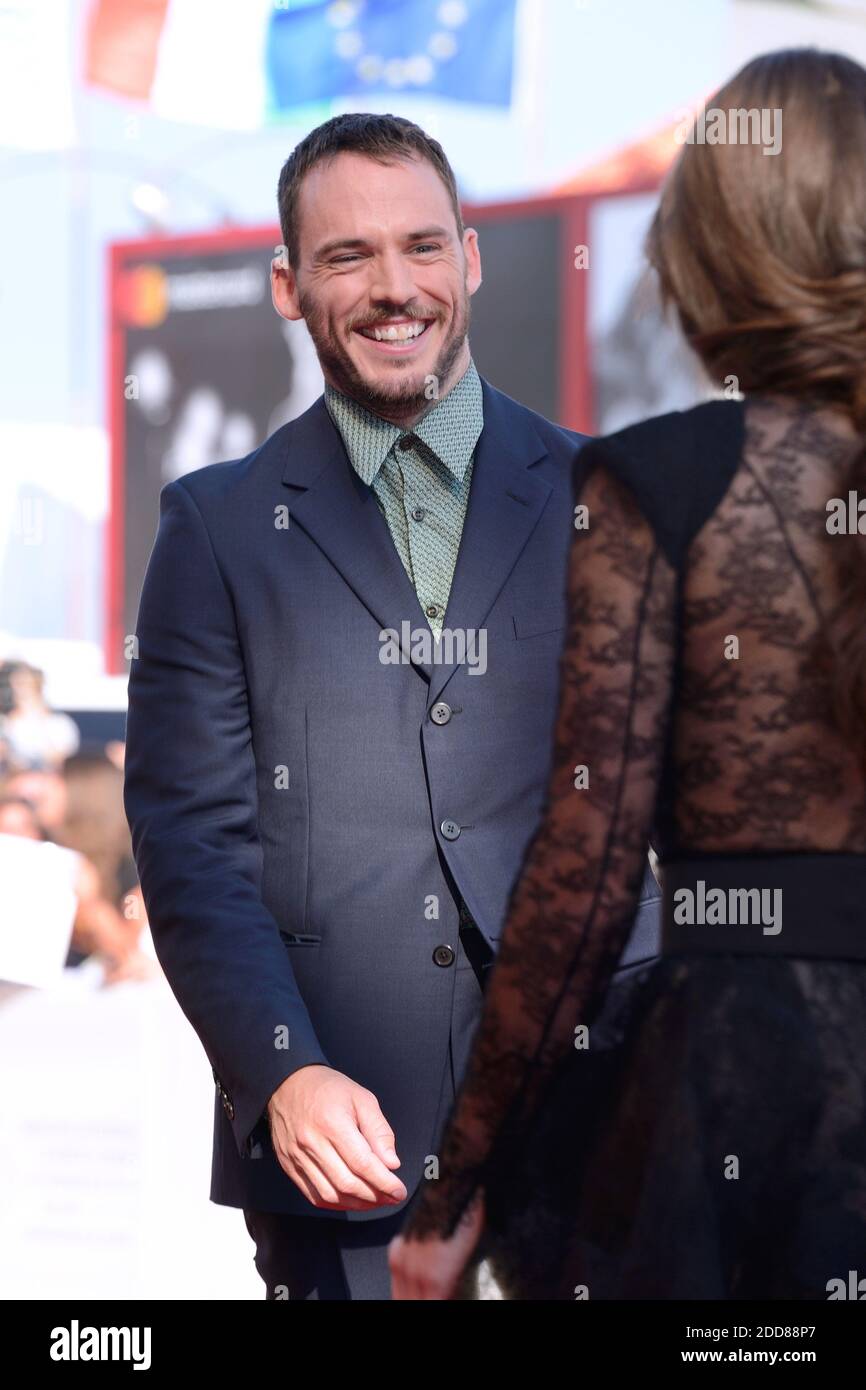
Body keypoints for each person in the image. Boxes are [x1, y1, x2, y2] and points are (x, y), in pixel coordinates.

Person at [123, 112, 661, 1301]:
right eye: (347, 256)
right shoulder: (214, 531)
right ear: (286, 284)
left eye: (421, 246)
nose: (392, 287)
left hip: (601, 1132)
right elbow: (192, 848)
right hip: (347, 1158)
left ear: (469, 260)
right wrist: (281, 1074)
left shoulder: (609, 499)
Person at [390, 47, 866, 1300]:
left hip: (747, 1090)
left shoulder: (654, 480)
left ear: (710, 240)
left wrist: (452, 1187)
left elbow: (589, 870)